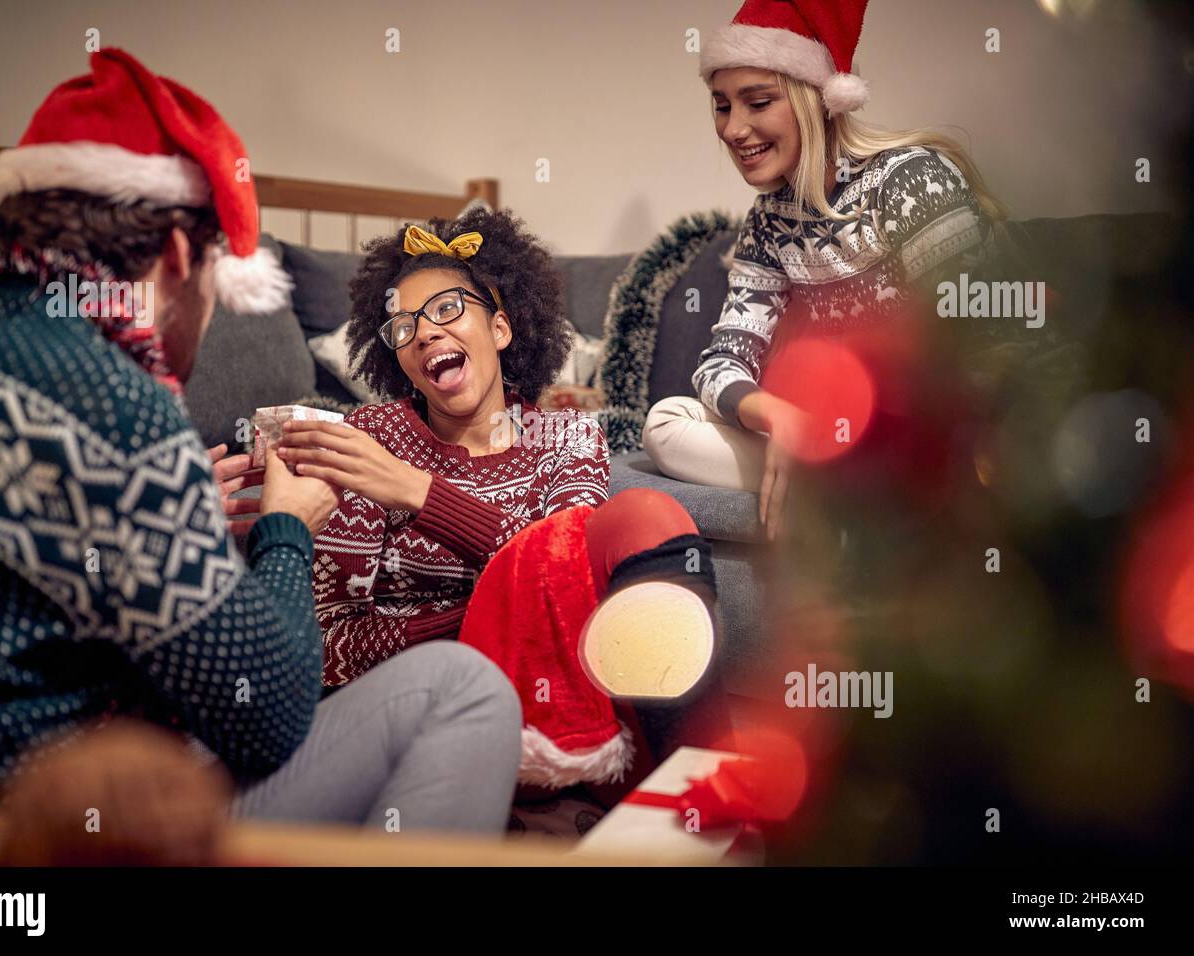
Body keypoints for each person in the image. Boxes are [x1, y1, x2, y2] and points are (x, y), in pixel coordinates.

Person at [0, 48, 522, 849]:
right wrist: (284, 531)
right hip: (45, 831)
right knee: (464, 691)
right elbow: (266, 714)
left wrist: (186, 533)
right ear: (180, 258)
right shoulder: (120, 414)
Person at [230, 210, 728, 788]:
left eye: (446, 309)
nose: (424, 333)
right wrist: (476, 625)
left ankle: (695, 793)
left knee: (643, 518)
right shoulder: (371, 440)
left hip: (562, 672)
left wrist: (418, 492)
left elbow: (565, 572)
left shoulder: (565, 437)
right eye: (403, 327)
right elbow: (329, 645)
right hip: (436, 693)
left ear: (499, 329)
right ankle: (697, 788)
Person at [642, 0, 1004, 541]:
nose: (734, 129)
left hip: (930, 438)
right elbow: (721, 363)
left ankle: (858, 510)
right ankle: (843, 505)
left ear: (816, 101)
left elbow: (977, 348)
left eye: (758, 102)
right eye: (721, 106)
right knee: (666, 423)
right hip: (827, 445)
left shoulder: (912, 181)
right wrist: (781, 419)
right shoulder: (768, 221)